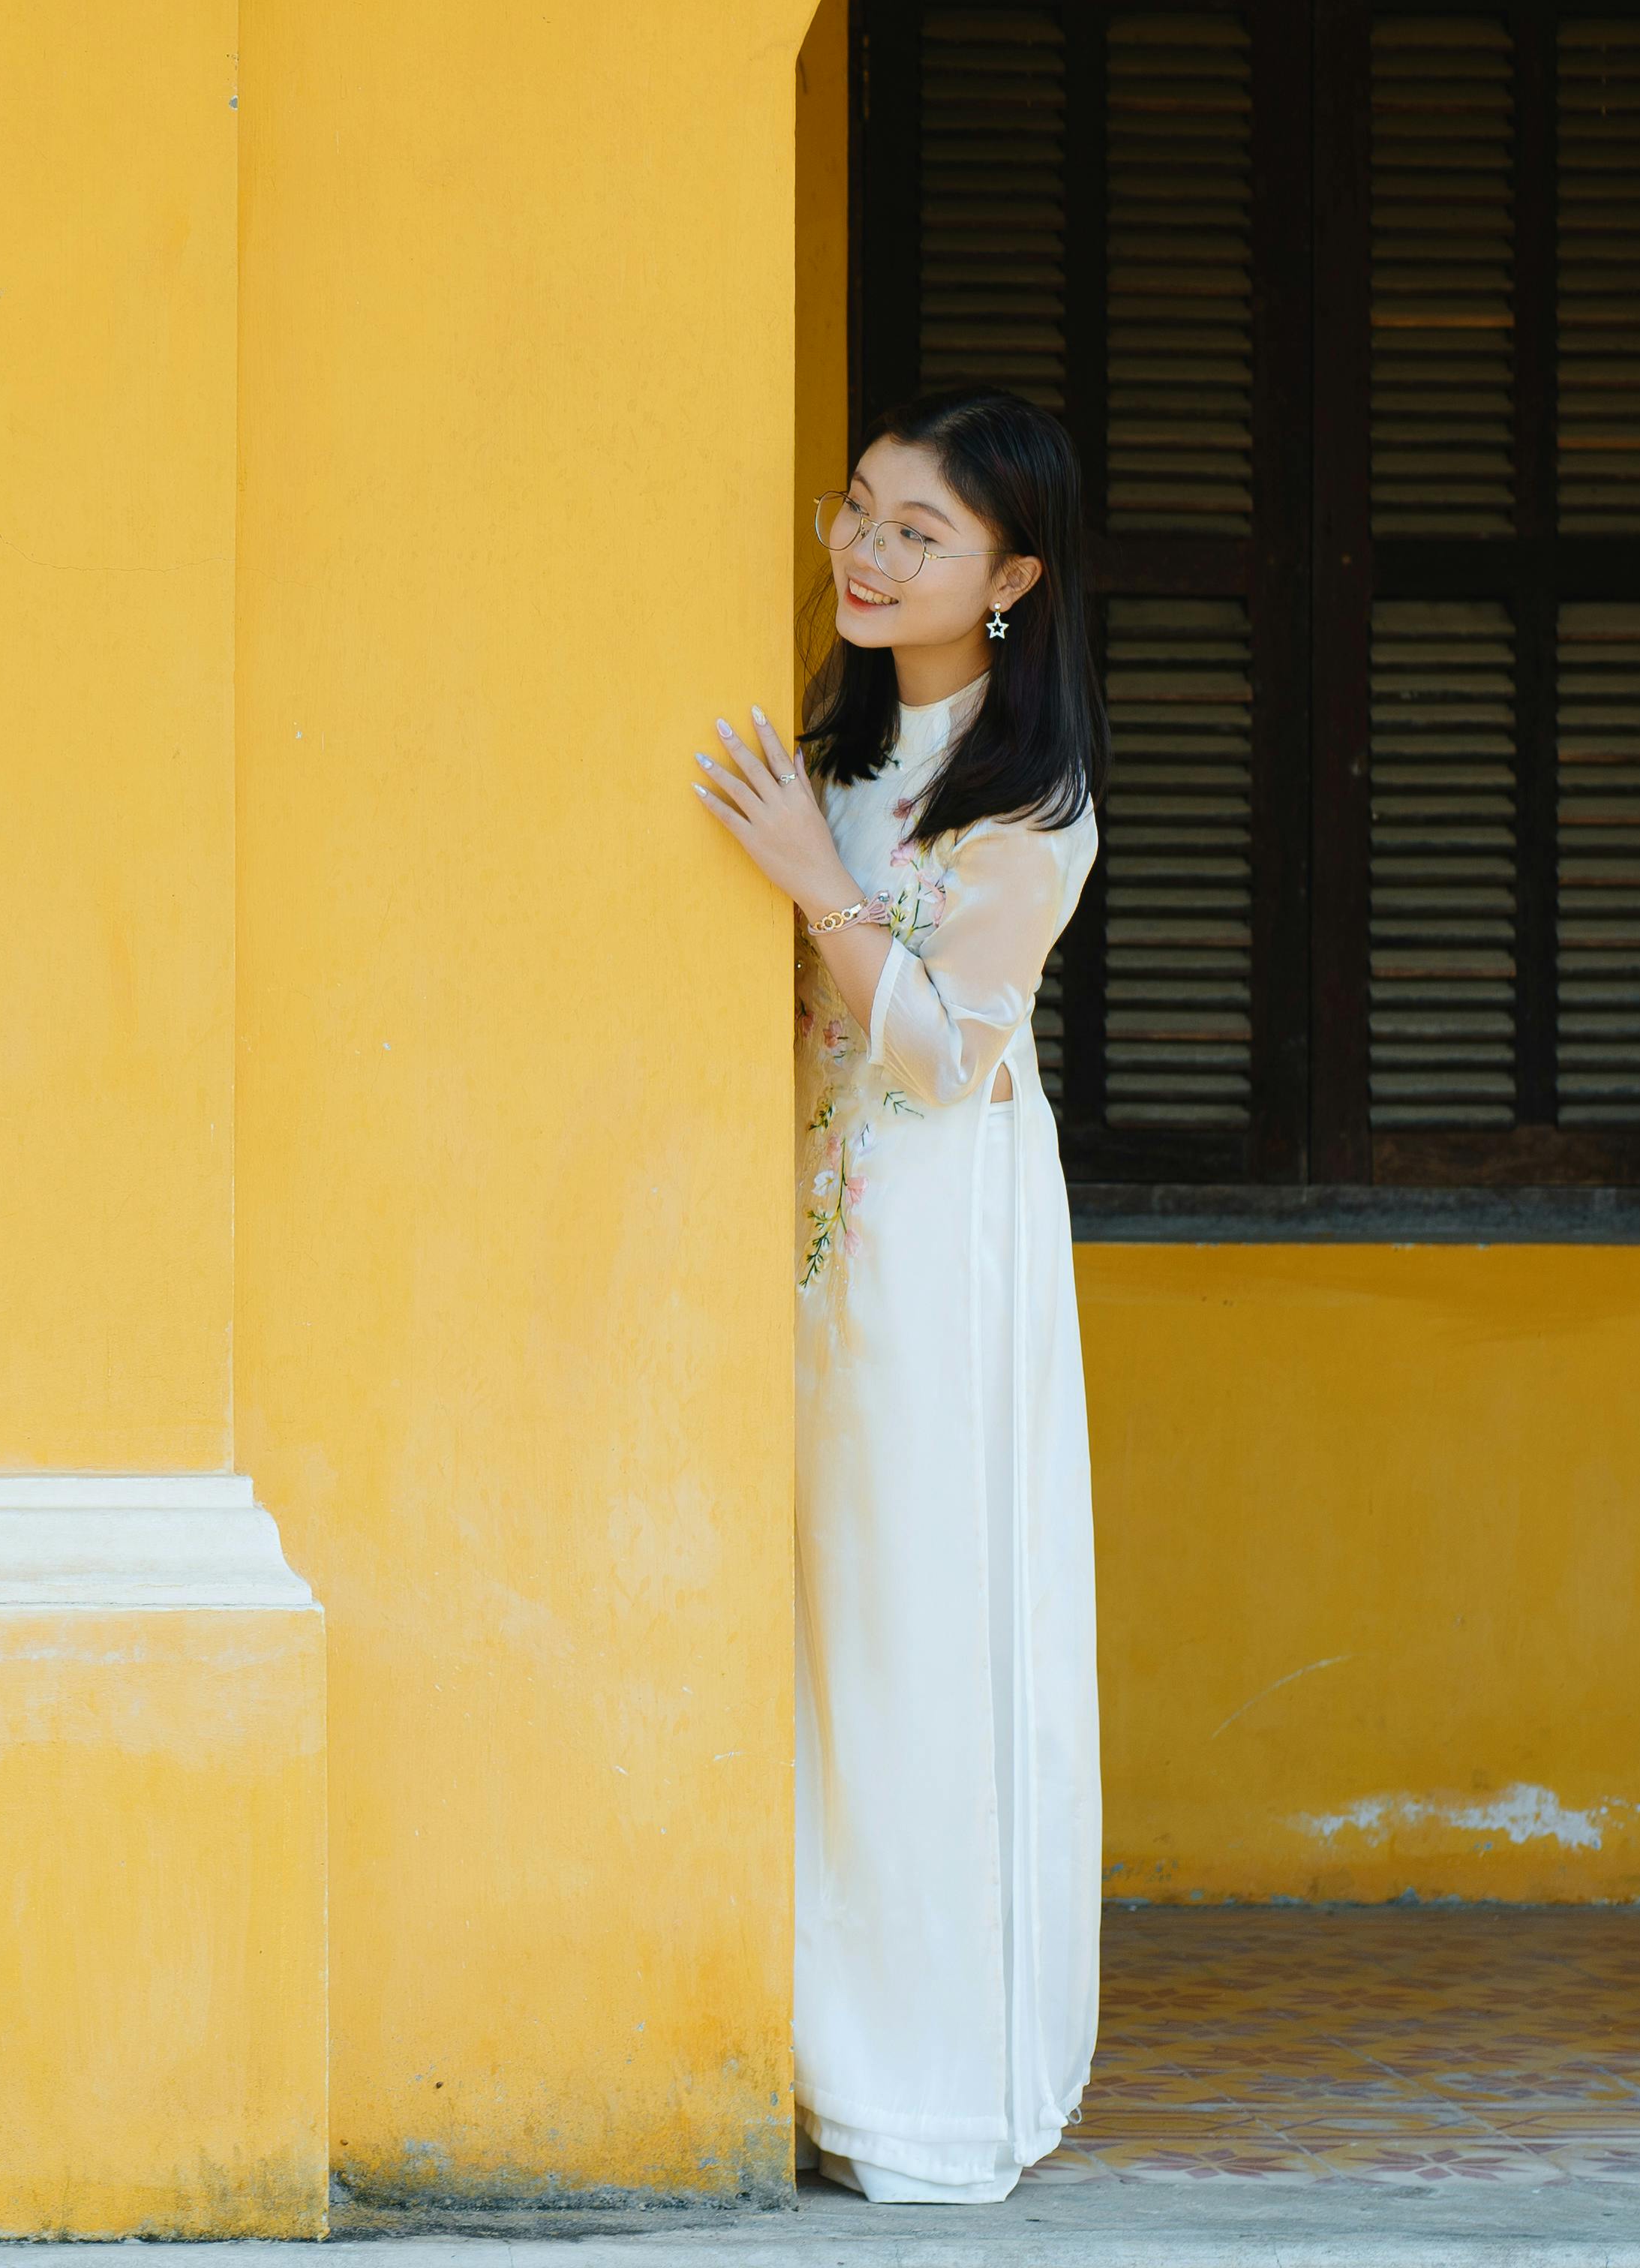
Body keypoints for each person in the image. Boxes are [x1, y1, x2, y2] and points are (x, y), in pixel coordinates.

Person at [689, 385, 1105, 2203]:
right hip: (804, 1235)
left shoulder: (1032, 804)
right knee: (813, 1620)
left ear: (1009, 577)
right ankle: (803, 2038)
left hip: (941, 1250)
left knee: (918, 1627)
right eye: (856, 510)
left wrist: (806, 884)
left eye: (917, 531)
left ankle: (928, 2087)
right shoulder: (831, 757)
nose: (866, 549)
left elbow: (943, 1059)